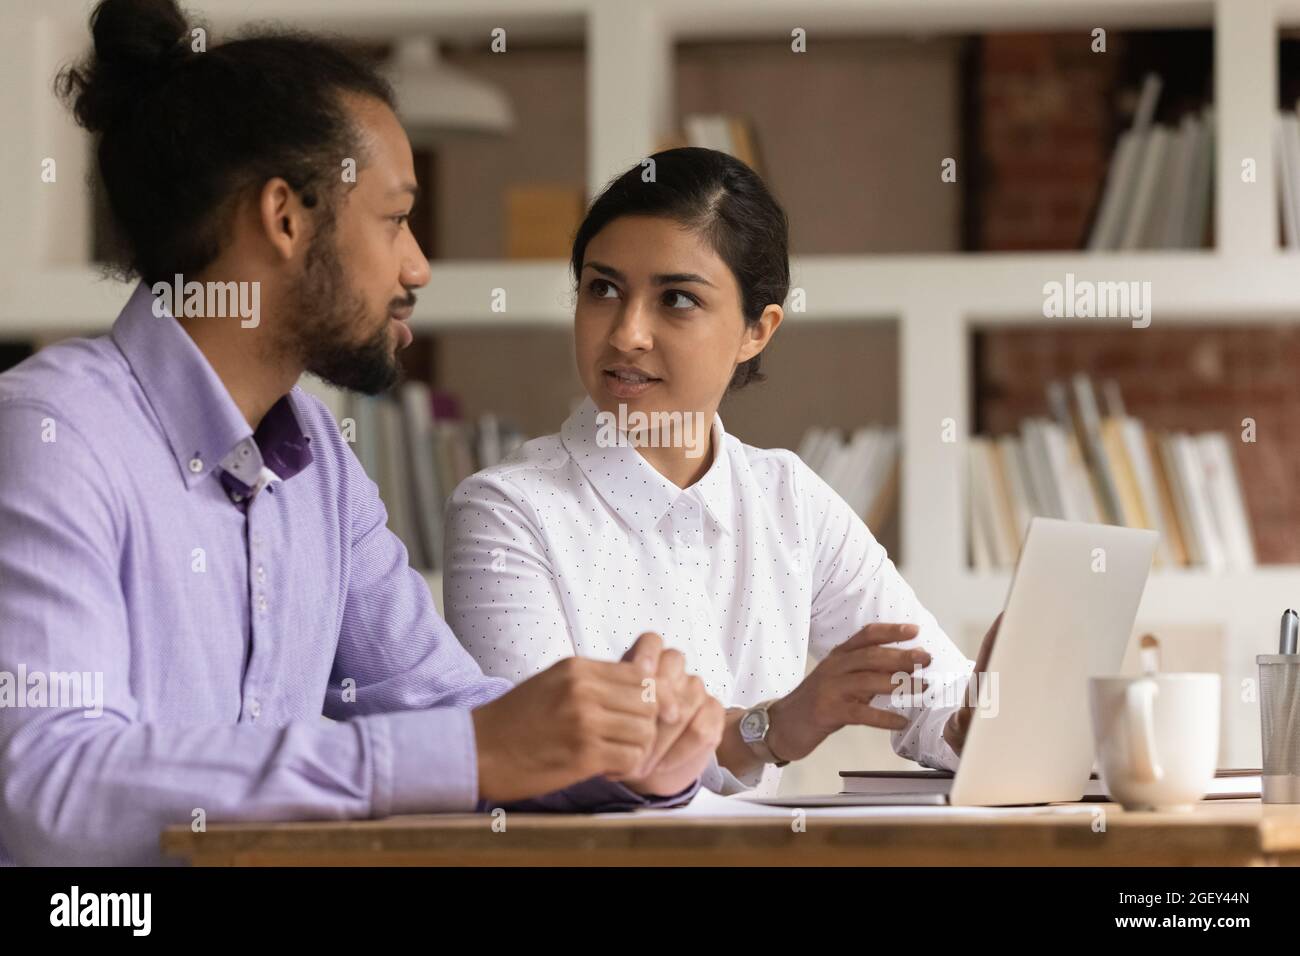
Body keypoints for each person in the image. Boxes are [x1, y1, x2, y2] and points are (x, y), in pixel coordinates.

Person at [0, 0, 723, 866]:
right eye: (393, 219)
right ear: (285, 218)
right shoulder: (52, 434)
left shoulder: (319, 465)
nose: (418, 266)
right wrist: (474, 750)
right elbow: (49, 788)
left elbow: (441, 711)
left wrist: (627, 752)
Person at [445, 147, 998, 795]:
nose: (626, 334)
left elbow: (931, 686)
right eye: (602, 289)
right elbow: (542, 763)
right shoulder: (506, 511)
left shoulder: (788, 497)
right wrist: (768, 728)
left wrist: (974, 723)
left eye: (675, 299)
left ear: (756, 331)